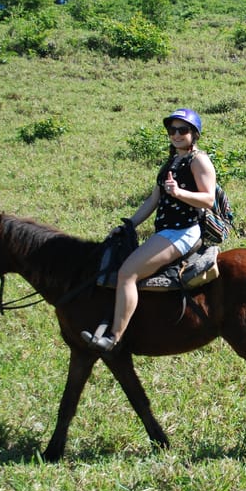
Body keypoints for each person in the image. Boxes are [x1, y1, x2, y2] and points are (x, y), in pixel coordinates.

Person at [81, 108, 216, 353]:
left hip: (183, 230)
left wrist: (179, 193)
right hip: (165, 231)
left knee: (127, 273)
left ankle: (114, 338)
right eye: (172, 130)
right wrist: (130, 224)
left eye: (182, 130)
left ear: (194, 134)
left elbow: (208, 199)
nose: (176, 135)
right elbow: (153, 200)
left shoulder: (199, 160)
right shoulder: (171, 162)